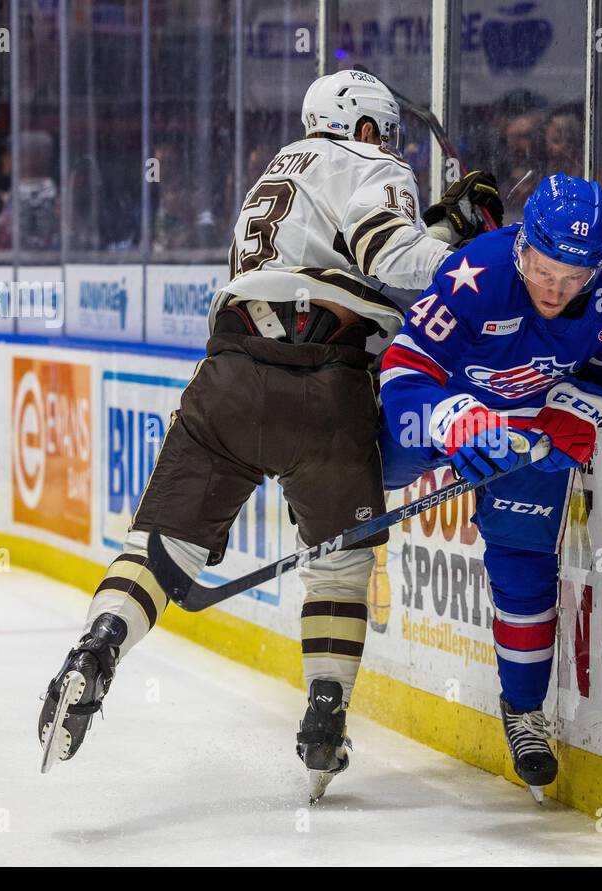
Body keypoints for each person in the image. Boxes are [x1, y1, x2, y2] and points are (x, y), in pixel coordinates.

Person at [37, 70, 502, 802]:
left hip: (228, 375)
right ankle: (325, 715)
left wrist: (446, 219)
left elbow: (342, 255)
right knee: (340, 568)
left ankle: (99, 646)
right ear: (369, 126)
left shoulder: (280, 171)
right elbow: (392, 263)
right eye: (385, 130)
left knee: (161, 547)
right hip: (326, 383)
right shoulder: (375, 164)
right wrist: (480, 253)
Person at [377, 175, 602, 797]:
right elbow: (405, 370)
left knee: (525, 559)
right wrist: (452, 423)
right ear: (521, 245)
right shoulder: (477, 275)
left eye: (572, 279)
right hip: (447, 403)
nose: (554, 291)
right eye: (542, 269)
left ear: (599, 267)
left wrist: (575, 404)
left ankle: (525, 712)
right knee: (377, 472)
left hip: (525, 422)